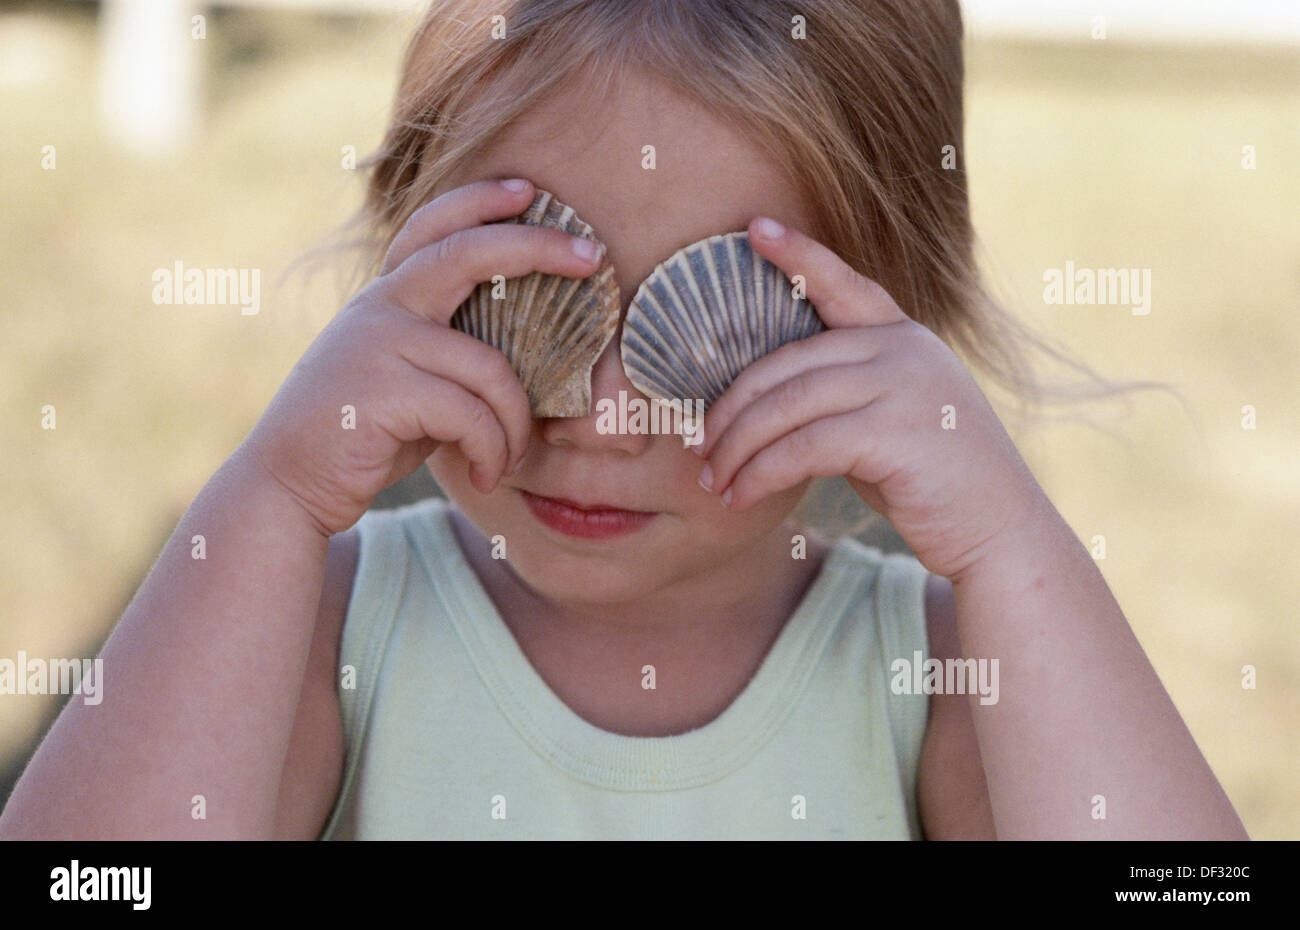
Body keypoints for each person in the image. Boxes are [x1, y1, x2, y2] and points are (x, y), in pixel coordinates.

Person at [0, 0, 1248, 840]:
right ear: (405, 257)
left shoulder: (937, 681)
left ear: (889, 334)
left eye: (718, 324)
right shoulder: (324, 636)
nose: (599, 417)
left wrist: (1010, 549)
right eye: (528, 293)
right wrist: (269, 502)